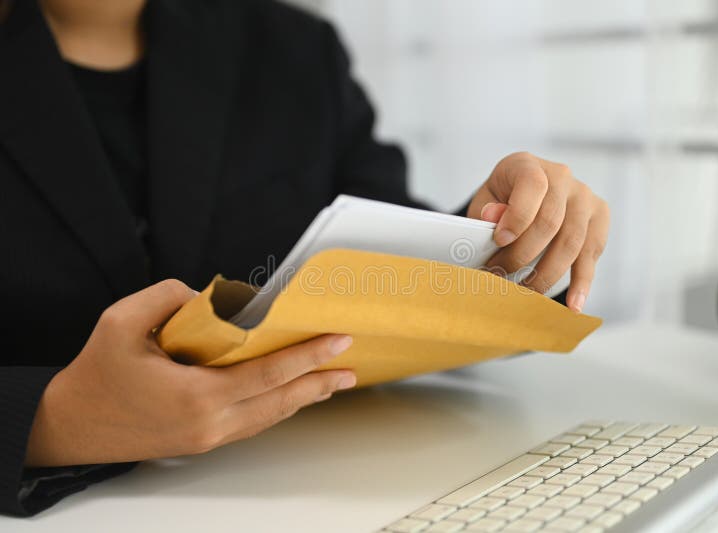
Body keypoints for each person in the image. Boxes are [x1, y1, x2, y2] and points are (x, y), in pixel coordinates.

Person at [0, 0, 610, 516]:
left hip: (327, 495)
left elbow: (389, 255)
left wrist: (505, 236)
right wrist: (50, 420)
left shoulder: (293, 51)